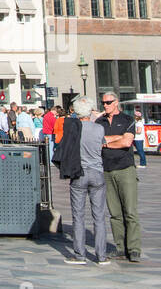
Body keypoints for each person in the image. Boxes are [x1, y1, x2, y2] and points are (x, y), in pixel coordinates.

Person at [54, 95, 110, 266]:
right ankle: (101, 256)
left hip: (79, 173)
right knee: (99, 216)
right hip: (97, 172)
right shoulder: (99, 129)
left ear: (76, 112)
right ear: (91, 111)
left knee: (78, 216)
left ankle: (80, 255)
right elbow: (102, 146)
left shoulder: (74, 129)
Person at [99, 90, 141, 263]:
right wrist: (115, 138)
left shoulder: (127, 119)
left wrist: (106, 141)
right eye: (103, 102)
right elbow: (97, 141)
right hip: (106, 170)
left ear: (116, 102)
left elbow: (126, 142)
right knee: (114, 212)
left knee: (130, 211)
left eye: (108, 102)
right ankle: (120, 248)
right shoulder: (99, 121)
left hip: (125, 169)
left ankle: (134, 249)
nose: (105, 105)